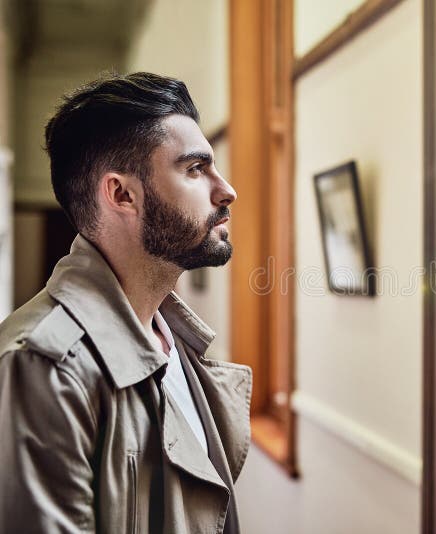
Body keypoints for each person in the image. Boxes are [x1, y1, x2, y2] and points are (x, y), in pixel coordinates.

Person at [0, 72, 251, 533]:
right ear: (121, 194)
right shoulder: (45, 365)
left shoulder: (175, 338)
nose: (226, 189)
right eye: (196, 169)